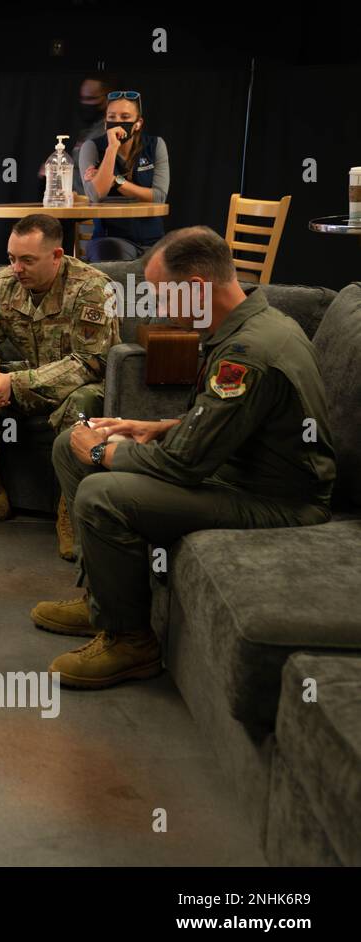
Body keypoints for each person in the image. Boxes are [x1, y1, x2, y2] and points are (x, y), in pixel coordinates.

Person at [32, 226, 335, 688]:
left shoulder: (248, 352)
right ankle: (104, 601)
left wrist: (105, 449)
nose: (157, 308)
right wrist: (155, 427)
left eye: (161, 294)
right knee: (66, 449)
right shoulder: (250, 325)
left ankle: (131, 642)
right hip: (238, 469)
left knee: (100, 490)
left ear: (194, 288)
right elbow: (231, 423)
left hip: (278, 502)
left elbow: (185, 465)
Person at [0, 214, 118, 560]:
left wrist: (14, 383)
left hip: (83, 385)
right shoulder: (3, 283)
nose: (17, 268)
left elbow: (92, 362)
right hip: (31, 379)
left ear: (57, 256)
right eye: (12, 257)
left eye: (27, 260)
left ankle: (69, 510)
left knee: (82, 400)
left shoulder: (94, 288)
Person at [78, 90, 169, 261]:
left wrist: (116, 181)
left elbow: (158, 197)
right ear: (106, 122)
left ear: (138, 123)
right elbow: (96, 194)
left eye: (125, 117)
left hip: (153, 240)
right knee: (114, 260)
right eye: (112, 117)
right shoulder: (92, 148)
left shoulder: (155, 145)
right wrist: (112, 148)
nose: (118, 122)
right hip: (110, 239)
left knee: (173, 267)